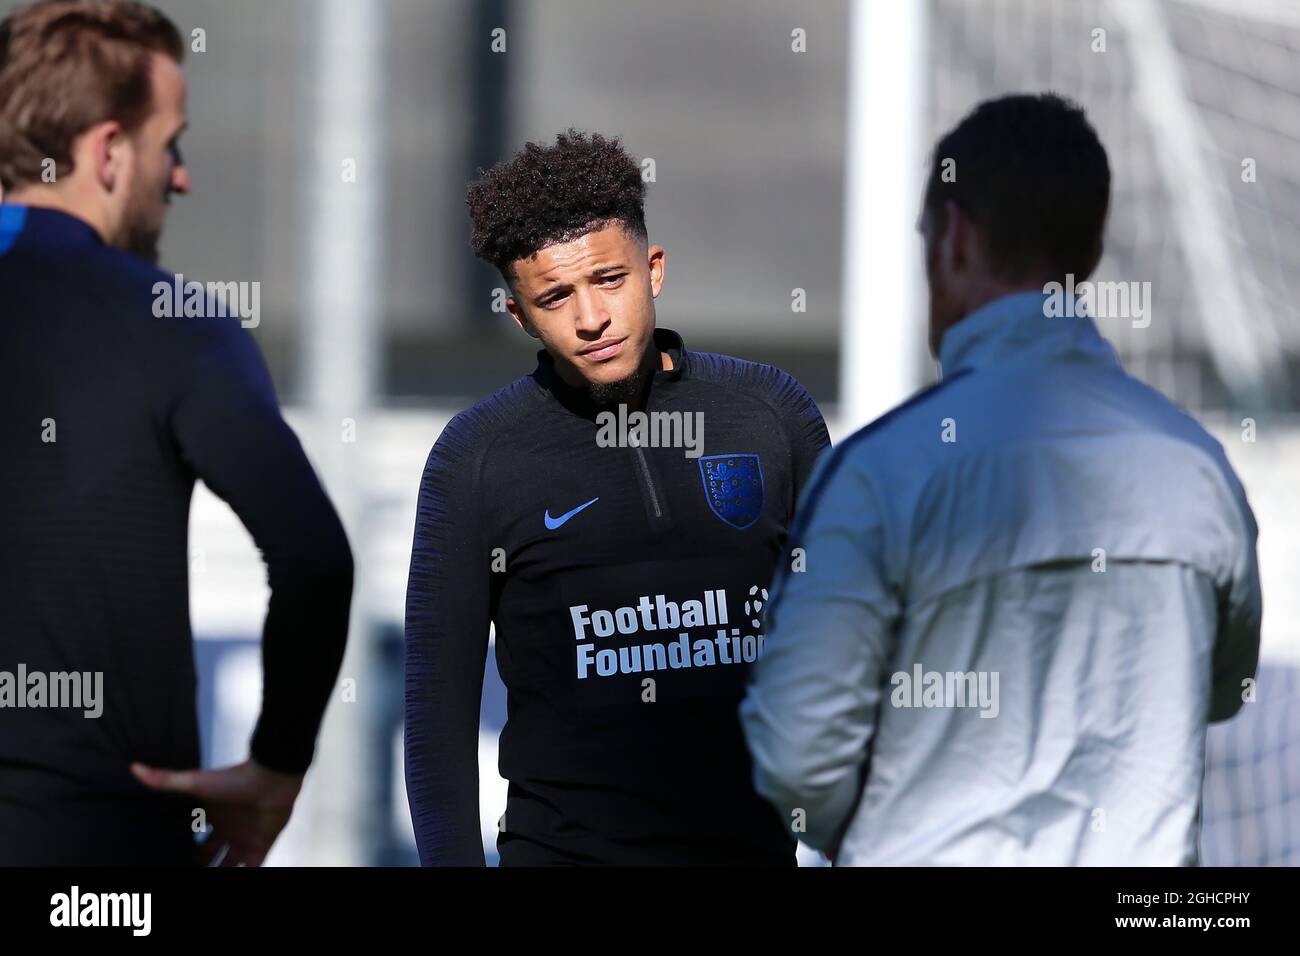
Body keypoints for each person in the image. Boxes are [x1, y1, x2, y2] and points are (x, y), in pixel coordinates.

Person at [740, 93, 1261, 866]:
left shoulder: (882, 472)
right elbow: (1219, 692)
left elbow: (797, 756)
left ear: (953, 238)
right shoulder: (1199, 469)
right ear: (1090, 246)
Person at [404, 129, 830, 865]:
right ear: (518, 315)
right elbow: (437, 718)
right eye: (555, 296)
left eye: (609, 279)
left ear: (653, 270)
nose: (591, 318)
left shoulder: (771, 416)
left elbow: (847, 645)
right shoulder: (475, 460)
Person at [0, 0, 353, 866]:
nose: (183, 176)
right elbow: (314, 559)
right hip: (91, 853)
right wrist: (276, 767)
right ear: (110, 152)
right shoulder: (176, 322)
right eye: (173, 142)